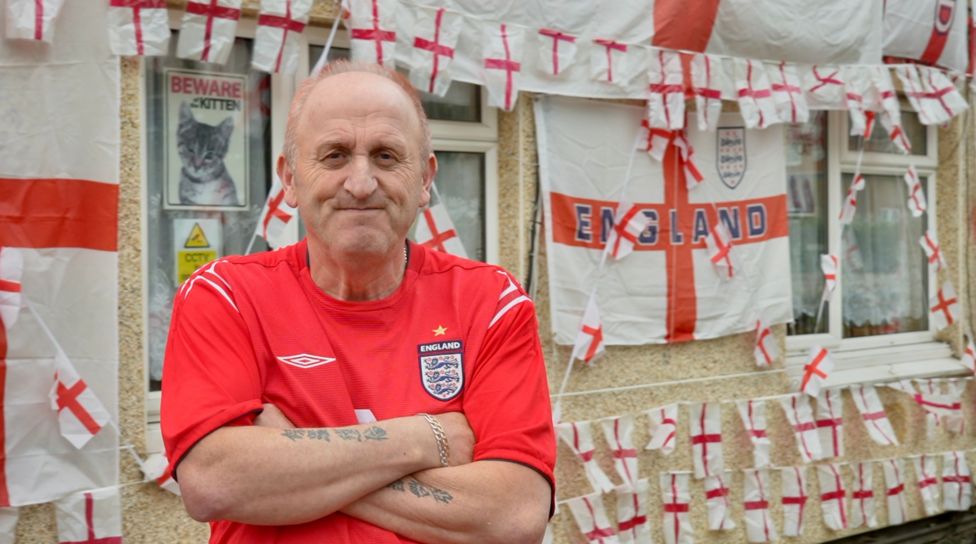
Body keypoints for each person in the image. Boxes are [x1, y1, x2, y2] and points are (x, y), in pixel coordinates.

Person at [160, 60, 556, 544]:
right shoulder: (225, 296)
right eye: (334, 156)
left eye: (387, 156)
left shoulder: (493, 302)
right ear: (289, 179)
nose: (361, 183)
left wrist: (291, 456)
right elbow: (214, 484)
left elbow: (514, 515)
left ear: (425, 178)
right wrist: (426, 438)